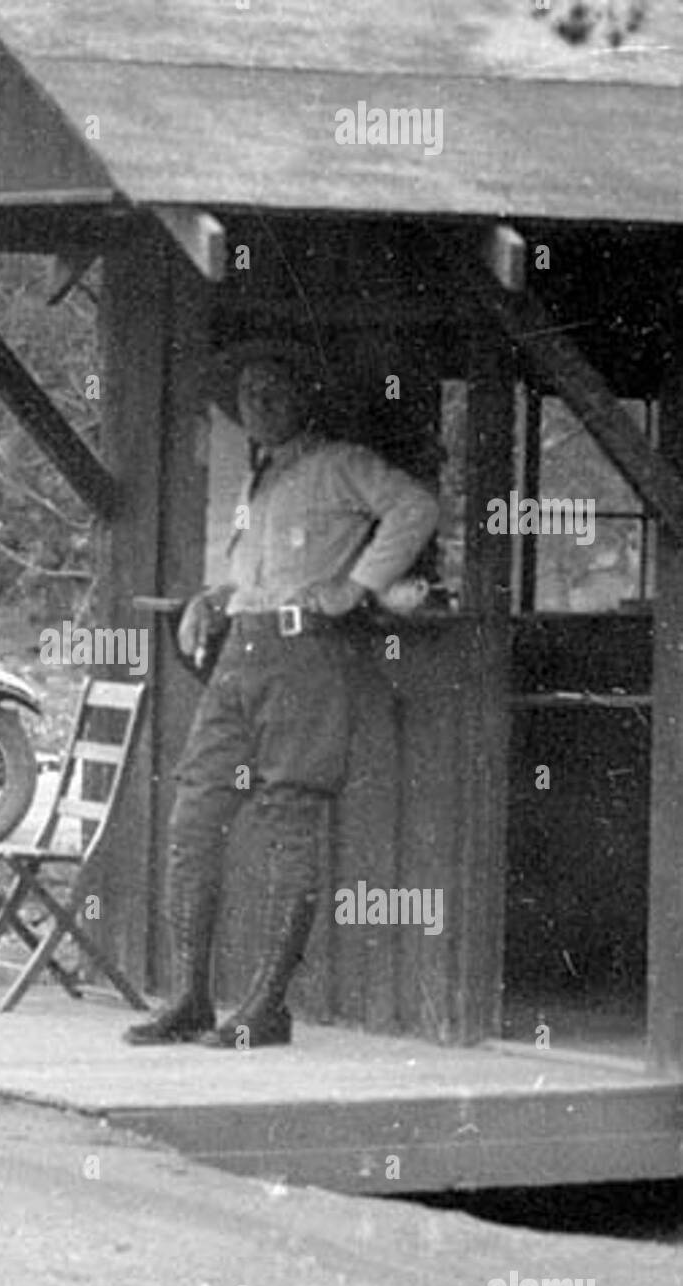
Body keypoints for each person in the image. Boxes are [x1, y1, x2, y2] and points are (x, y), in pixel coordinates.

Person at [124, 342, 440, 1049]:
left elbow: (415, 507)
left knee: (289, 821)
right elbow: (255, 569)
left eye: (273, 389)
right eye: (246, 392)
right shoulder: (255, 480)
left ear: (304, 396)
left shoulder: (338, 466)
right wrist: (215, 595)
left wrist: (355, 586)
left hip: (306, 655)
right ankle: (190, 998)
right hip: (241, 653)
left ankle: (267, 1007)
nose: (258, 402)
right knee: (194, 817)